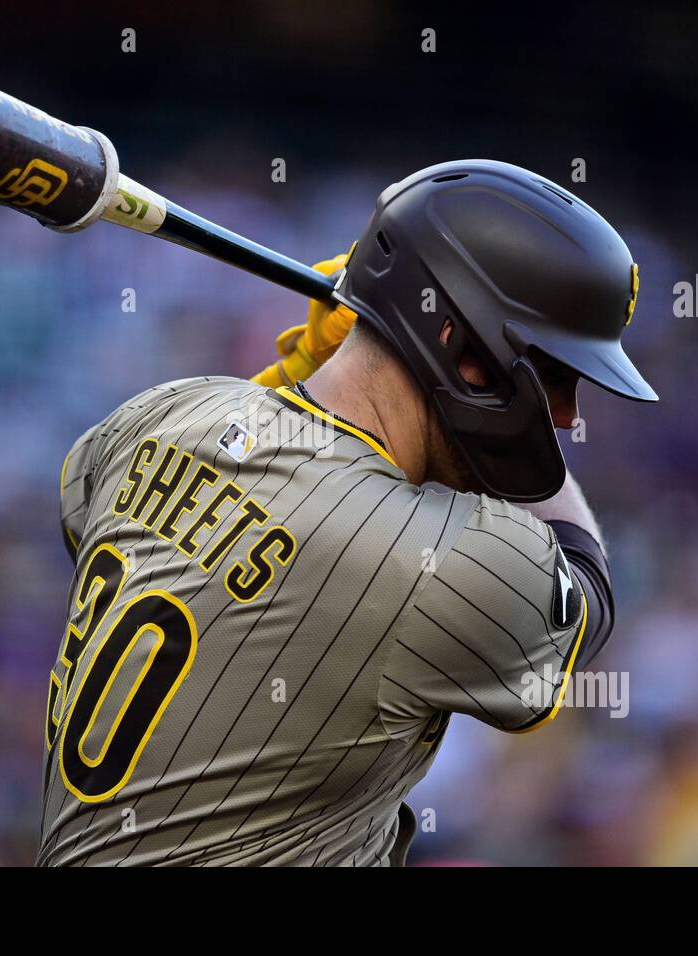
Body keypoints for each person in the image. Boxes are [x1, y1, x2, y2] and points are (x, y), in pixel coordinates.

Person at [37, 160, 656, 866]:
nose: (568, 418)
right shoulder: (445, 563)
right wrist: (525, 453)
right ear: (460, 347)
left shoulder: (159, 415)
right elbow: (587, 596)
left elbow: (109, 518)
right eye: (554, 376)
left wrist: (314, 376)